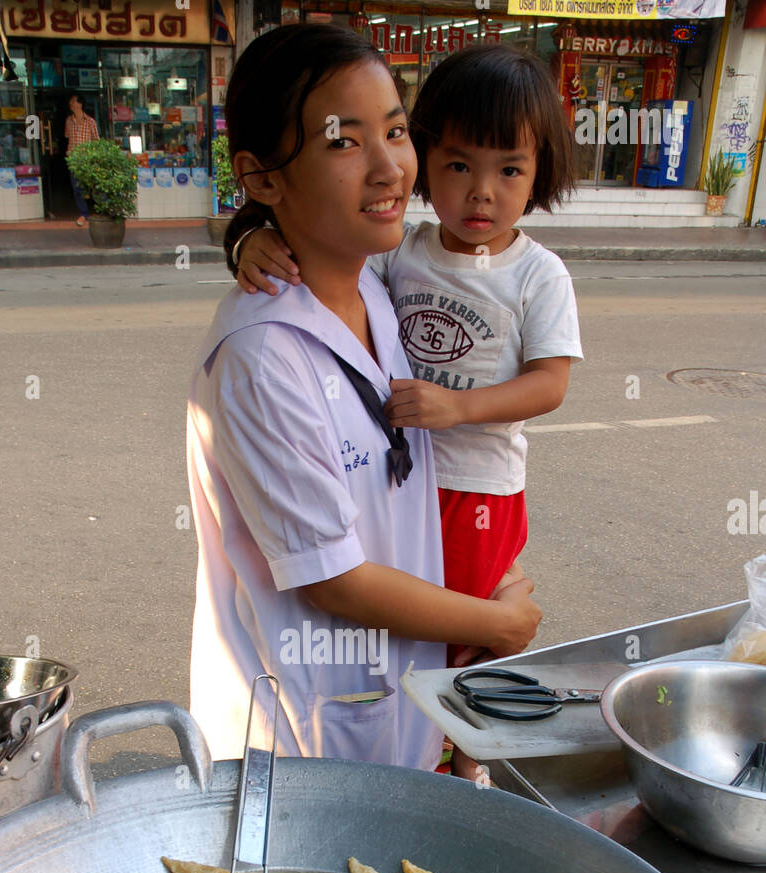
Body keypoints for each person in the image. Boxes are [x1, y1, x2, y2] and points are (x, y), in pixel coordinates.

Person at [187, 24, 541, 770]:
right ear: (261, 177)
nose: (392, 170)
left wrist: (488, 564)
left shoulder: (377, 289)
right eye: (343, 142)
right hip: (299, 745)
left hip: (389, 712)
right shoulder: (262, 356)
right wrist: (497, 625)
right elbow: (335, 582)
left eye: (397, 132)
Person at [65, 92, 99, 227]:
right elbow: (68, 138)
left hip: (87, 159)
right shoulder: (69, 121)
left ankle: (99, 211)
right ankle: (84, 214)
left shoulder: (90, 122)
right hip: (74, 159)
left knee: (92, 186)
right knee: (77, 188)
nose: (71, 104)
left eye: (73, 101)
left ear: (80, 104)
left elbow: (96, 140)